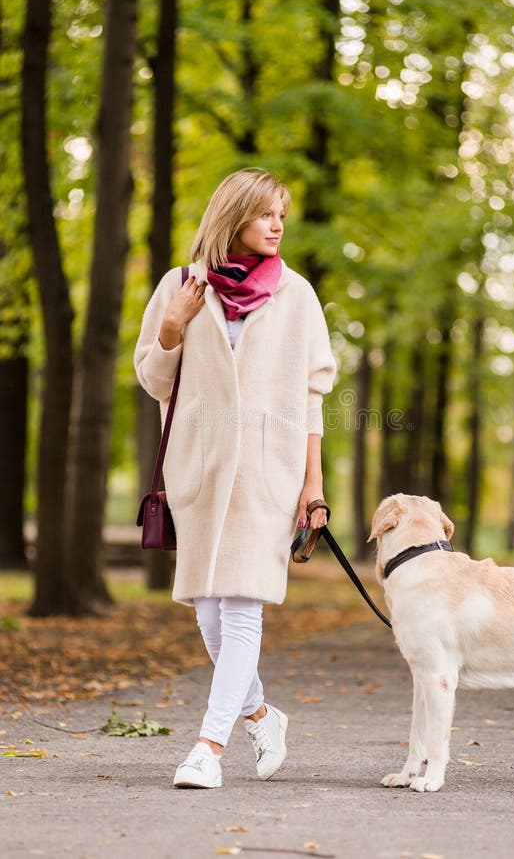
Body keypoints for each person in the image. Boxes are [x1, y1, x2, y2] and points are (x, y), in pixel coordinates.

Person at [134, 168, 337, 788]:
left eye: (283, 214)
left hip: (267, 470)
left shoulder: (296, 295)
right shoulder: (182, 284)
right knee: (209, 614)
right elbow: (152, 377)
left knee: (244, 607)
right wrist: (173, 324)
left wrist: (314, 487)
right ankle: (258, 712)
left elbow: (311, 396)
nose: (278, 225)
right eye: (266, 213)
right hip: (198, 463)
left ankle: (208, 748)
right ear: (233, 217)